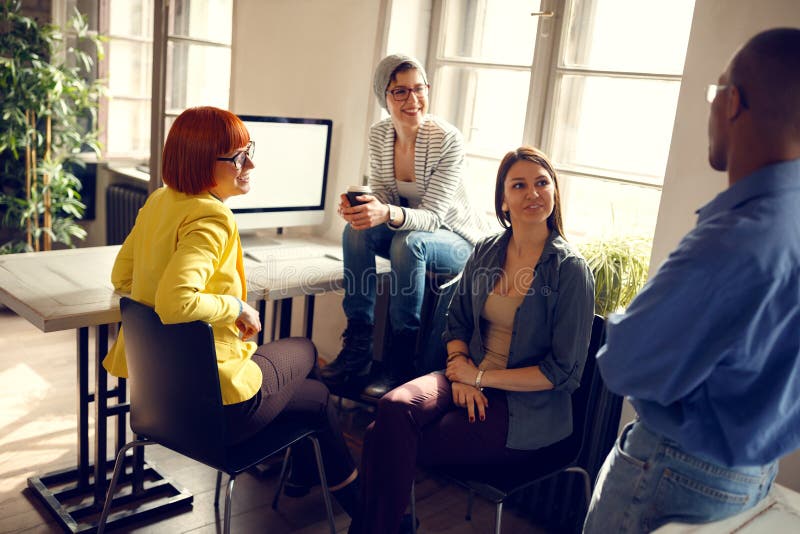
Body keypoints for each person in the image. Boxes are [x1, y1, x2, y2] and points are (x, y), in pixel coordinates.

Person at [584, 28, 800, 533]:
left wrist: (628, 319)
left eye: (713, 92)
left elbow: (623, 362)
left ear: (732, 103)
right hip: (753, 474)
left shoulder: (736, 239)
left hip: (676, 474)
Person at [102, 106, 360, 516]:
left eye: (248, 150)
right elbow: (177, 302)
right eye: (239, 156)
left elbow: (122, 276)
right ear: (204, 163)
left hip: (162, 404)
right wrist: (236, 305)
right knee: (308, 352)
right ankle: (360, 509)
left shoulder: (160, 201)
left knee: (315, 400)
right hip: (221, 410)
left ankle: (313, 479)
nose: (251, 163)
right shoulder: (211, 216)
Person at [348, 146, 596, 533]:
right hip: (465, 374)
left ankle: (380, 527)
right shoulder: (486, 250)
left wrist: (478, 379)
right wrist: (462, 370)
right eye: (519, 185)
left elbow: (563, 372)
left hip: (524, 407)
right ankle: (391, 525)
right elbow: (457, 322)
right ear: (503, 199)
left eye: (542, 183)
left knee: (383, 437)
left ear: (555, 192)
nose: (532, 193)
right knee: (394, 407)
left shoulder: (570, 271)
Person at [320, 54, 489, 397]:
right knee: (356, 230)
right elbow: (384, 192)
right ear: (384, 96)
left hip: (459, 240)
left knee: (409, 243)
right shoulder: (380, 134)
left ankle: (399, 361)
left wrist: (386, 214)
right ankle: (358, 348)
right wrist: (362, 207)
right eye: (400, 92)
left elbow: (434, 217)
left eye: (419, 88)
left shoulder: (447, 140)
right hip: (410, 232)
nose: (413, 100)